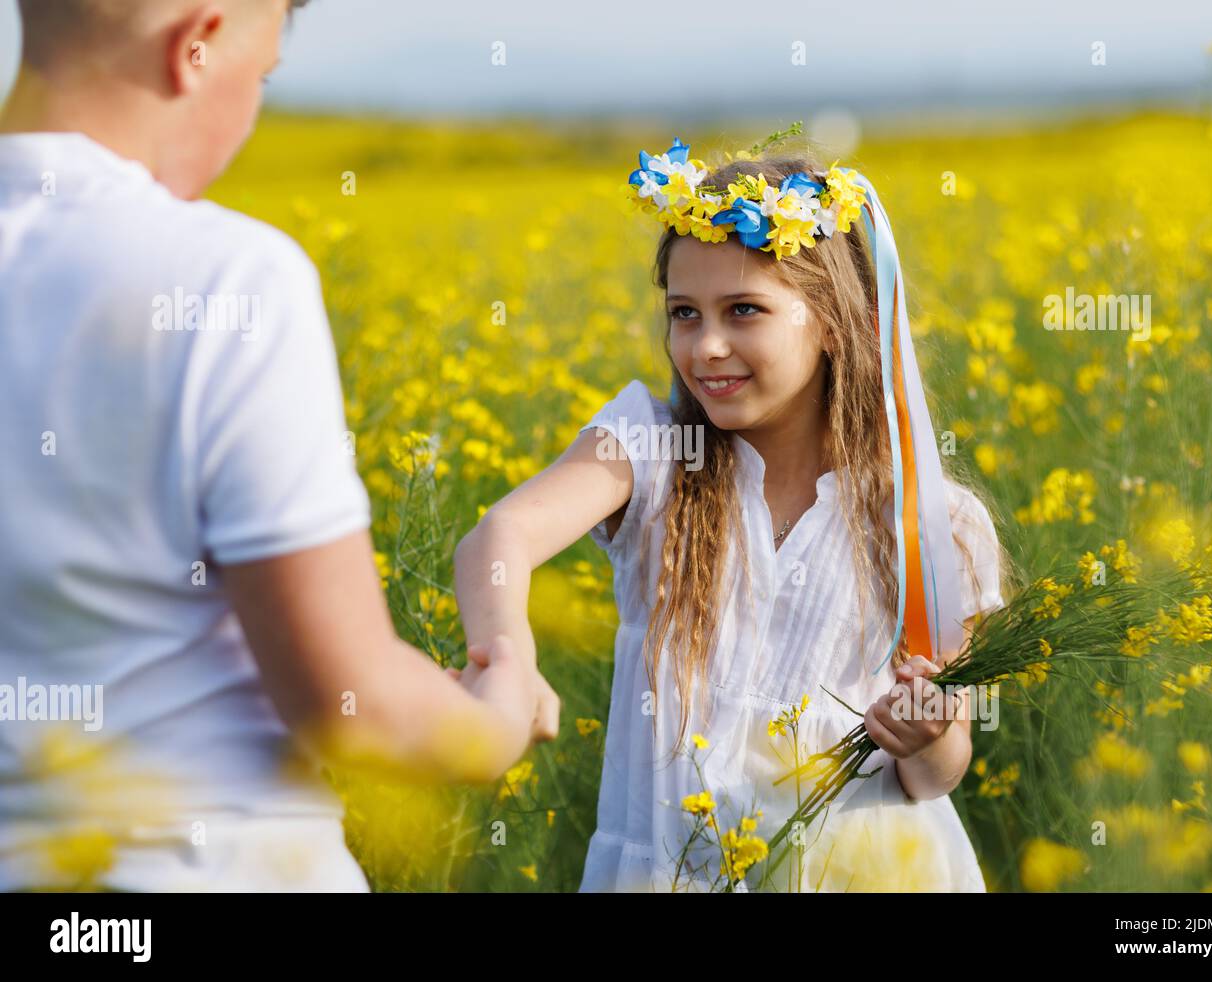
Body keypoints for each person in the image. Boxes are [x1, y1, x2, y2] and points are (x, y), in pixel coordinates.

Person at [0, 0, 558, 892]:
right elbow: (352, 709)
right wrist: (498, 710)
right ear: (200, 41)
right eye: (260, 79)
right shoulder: (226, 280)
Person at [453, 136, 1006, 891]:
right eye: (684, 313)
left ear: (834, 323)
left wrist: (926, 735)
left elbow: (938, 776)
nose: (706, 346)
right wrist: (507, 659)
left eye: (744, 310)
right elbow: (502, 536)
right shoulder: (654, 450)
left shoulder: (929, 521)